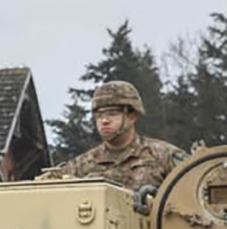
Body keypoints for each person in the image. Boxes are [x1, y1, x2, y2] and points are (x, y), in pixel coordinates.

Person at [40, 80, 187, 188]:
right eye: (99, 115)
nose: (104, 121)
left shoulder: (163, 156)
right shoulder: (82, 165)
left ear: (132, 115)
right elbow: (43, 190)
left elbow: (199, 191)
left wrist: (157, 197)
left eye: (112, 114)